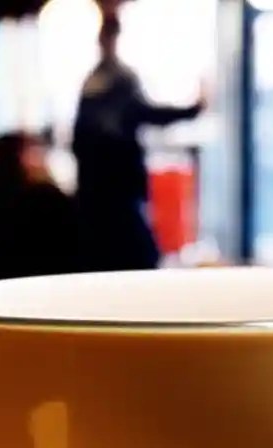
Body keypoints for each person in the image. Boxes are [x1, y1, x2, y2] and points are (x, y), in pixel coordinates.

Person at [72, 15, 204, 272]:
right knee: (137, 257)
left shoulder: (92, 82)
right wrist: (192, 110)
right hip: (118, 184)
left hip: (95, 189)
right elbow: (147, 113)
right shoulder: (119, 78)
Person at [0, 132, 80, 282]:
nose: (42, 157)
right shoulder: (43, 197)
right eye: (36, 151)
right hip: (41, 275)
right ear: (21, 156)